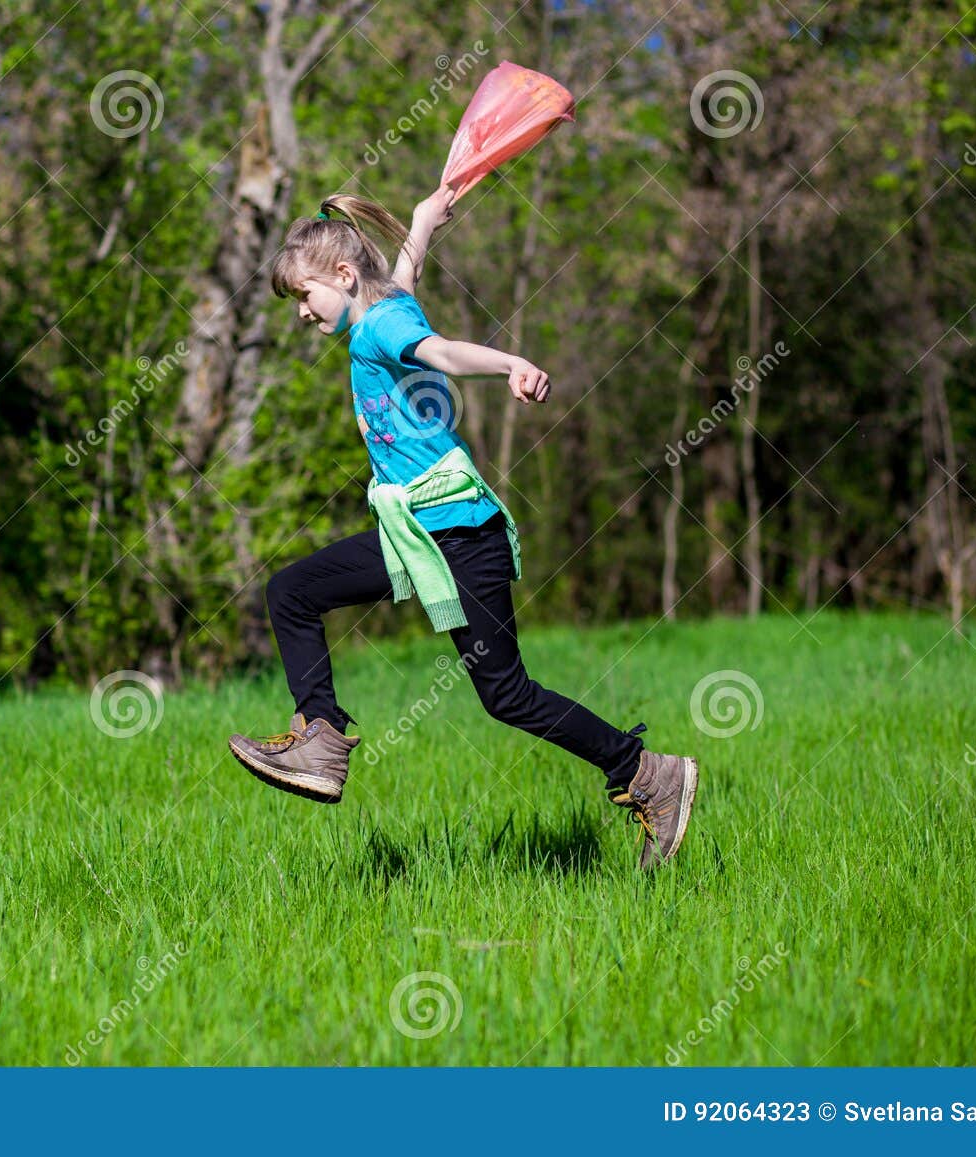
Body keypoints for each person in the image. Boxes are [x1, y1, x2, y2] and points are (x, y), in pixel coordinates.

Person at [226, 187, 698, 870]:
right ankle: (321, 738)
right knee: (293, 593)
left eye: (303, 296)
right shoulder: (382, 309)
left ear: (343, 276)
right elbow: (403, 281)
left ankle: (649, 772)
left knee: (506, 692)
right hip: (416, 532)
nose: (300, 313)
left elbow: (442, 354)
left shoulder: (384, 327)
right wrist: (421, 222)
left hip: (454, 530)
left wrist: (510, 362)